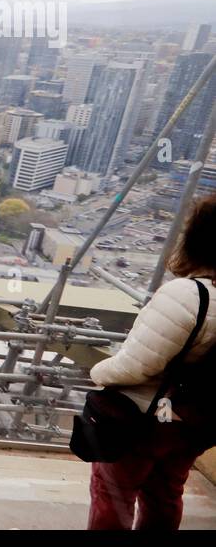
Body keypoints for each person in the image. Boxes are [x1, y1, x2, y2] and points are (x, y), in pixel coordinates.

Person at [87, 193, 216, 529]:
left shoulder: (188, 295)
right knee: (165, 492)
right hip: (198, 420)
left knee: (113, 492)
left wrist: (98, 371)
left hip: (148, 416)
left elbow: (136, 366)